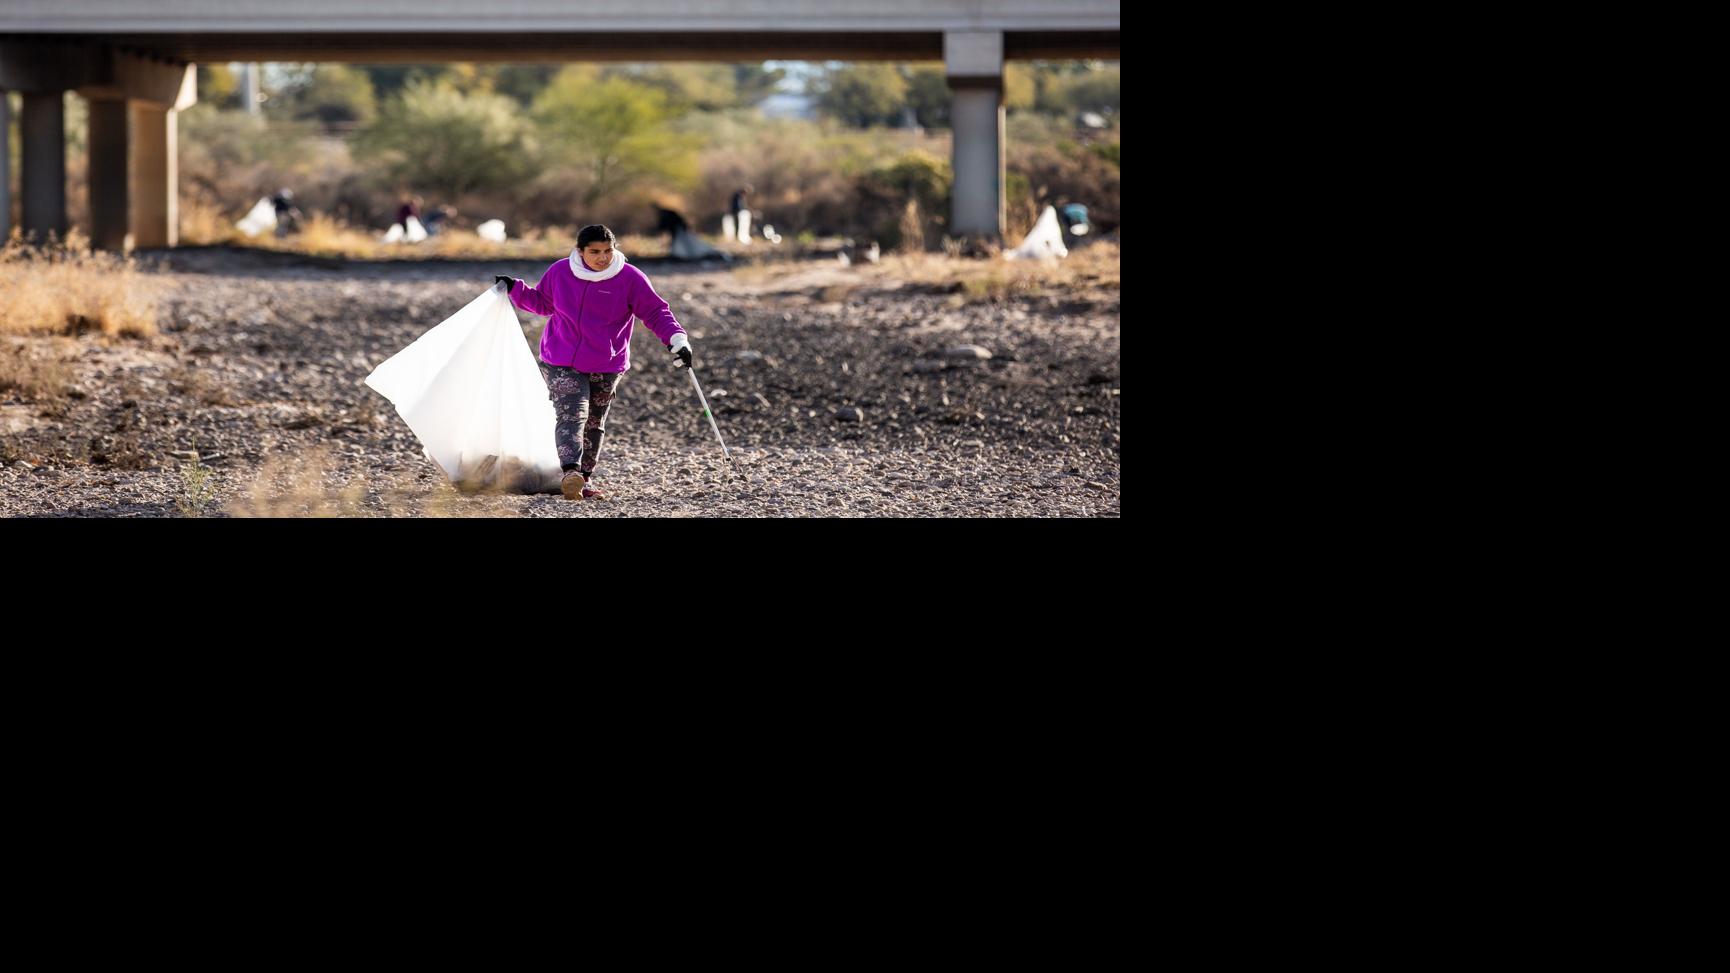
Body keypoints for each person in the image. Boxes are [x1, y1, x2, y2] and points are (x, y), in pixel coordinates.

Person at [493, 225, 692, 501]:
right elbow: (542, 303)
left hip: (607, 363)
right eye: (595, 252)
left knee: (594, 423)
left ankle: (582, 481)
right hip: (561, 359)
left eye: (608, 251)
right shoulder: (561, 272)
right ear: (580, 251)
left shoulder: (630, 278)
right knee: (572, 414)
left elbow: (656, 311)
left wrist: (677, 339)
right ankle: (570, 472)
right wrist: (516, 289)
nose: (602, 257)